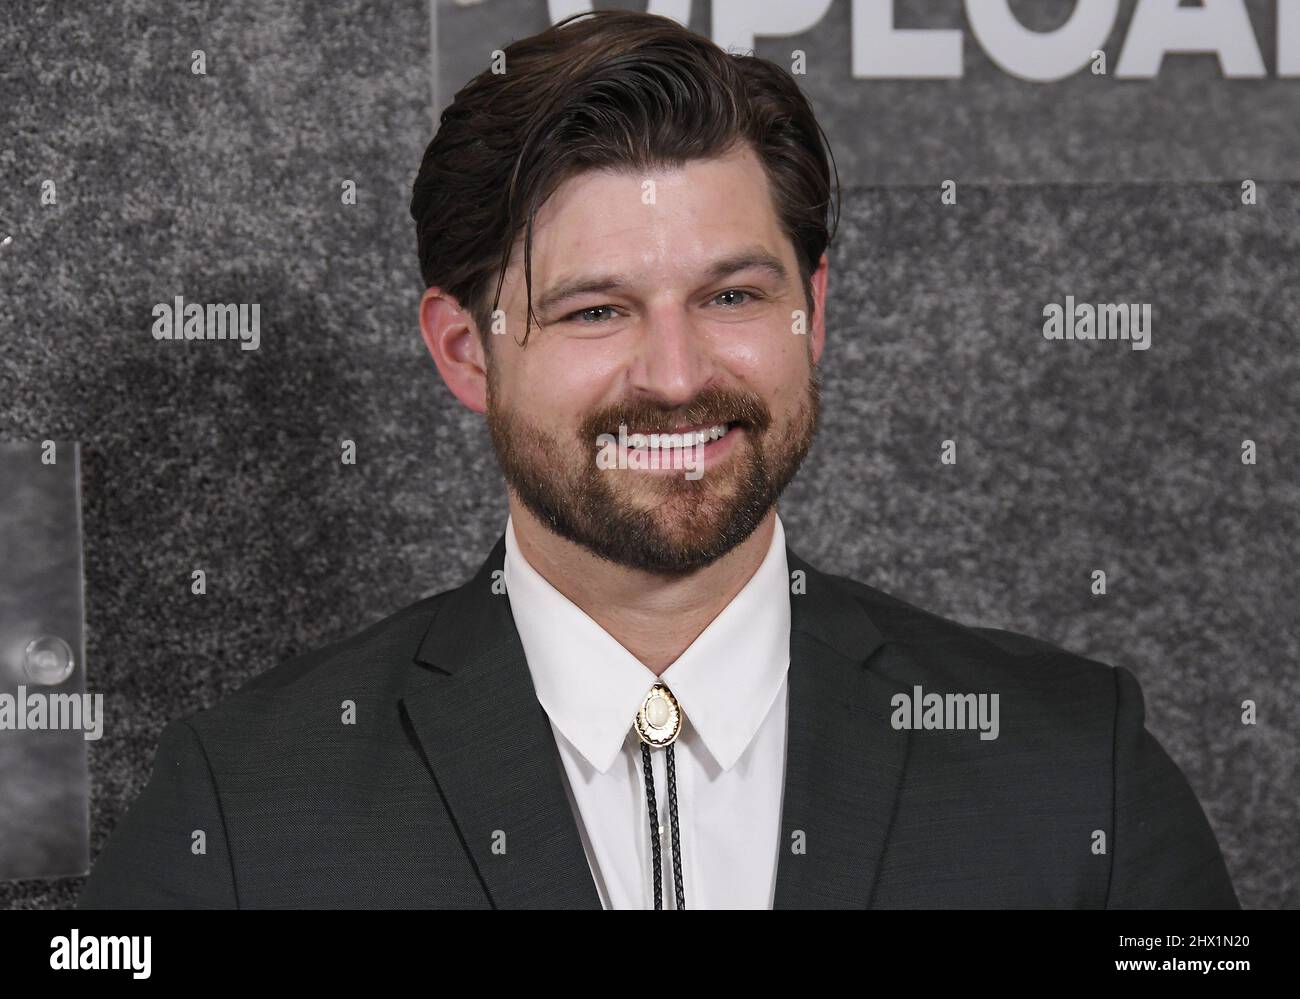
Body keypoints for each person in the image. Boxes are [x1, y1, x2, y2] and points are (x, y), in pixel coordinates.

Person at [78, 10, 1237, 910]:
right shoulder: (242, 810)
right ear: (462, 351)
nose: (677, 376)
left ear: (812, 313)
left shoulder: (1080, 768)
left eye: (732, 294)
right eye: (595, 311)